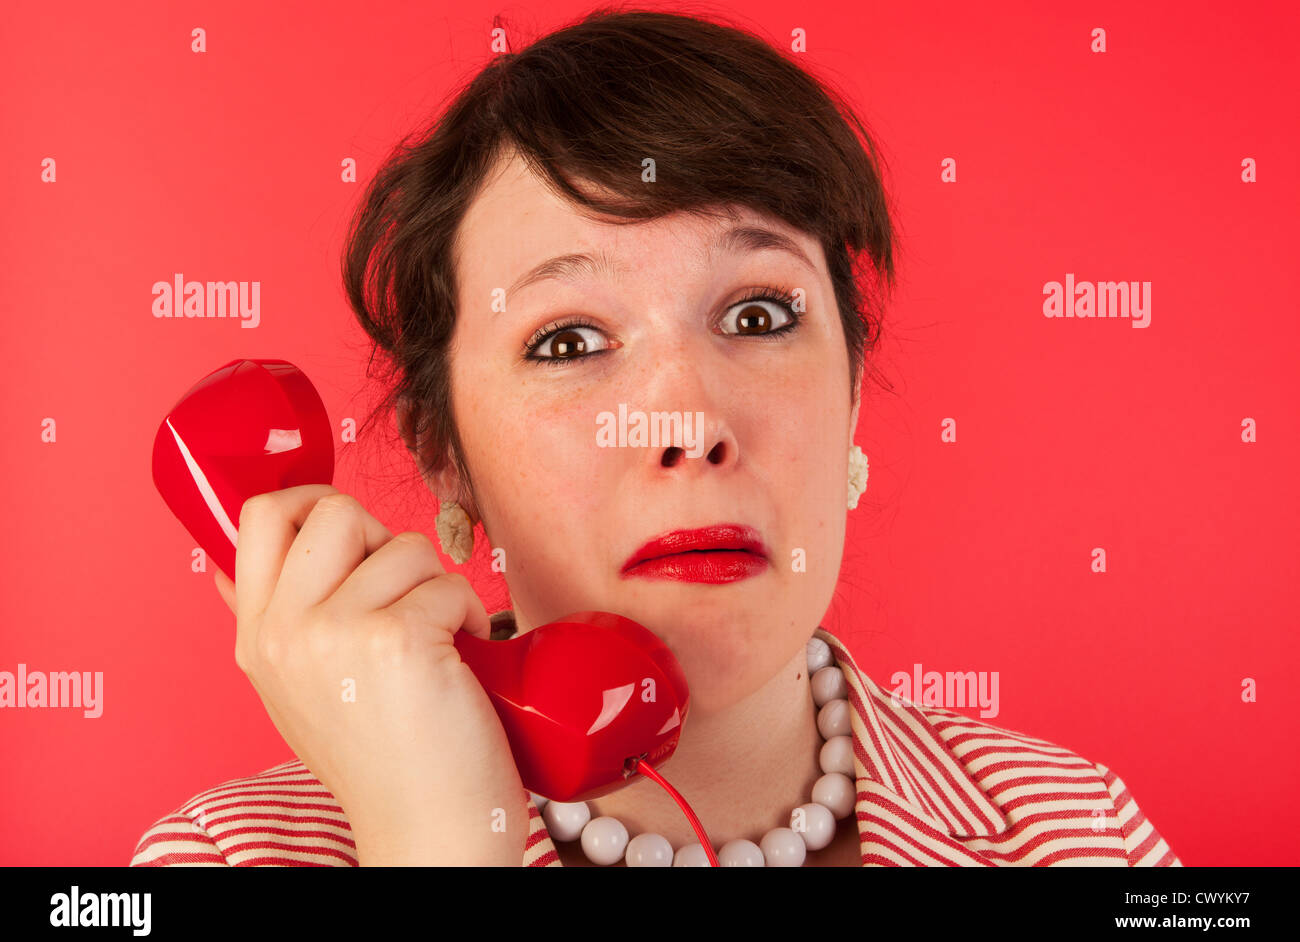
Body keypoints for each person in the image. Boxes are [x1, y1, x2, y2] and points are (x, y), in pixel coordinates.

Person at [131, 8, 1179, 867]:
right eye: (570, 338)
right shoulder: (226, 854)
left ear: (853, 399)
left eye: (760, 316)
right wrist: (441, 842)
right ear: (445, 454)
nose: (688, 423)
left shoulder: (1076, 831)